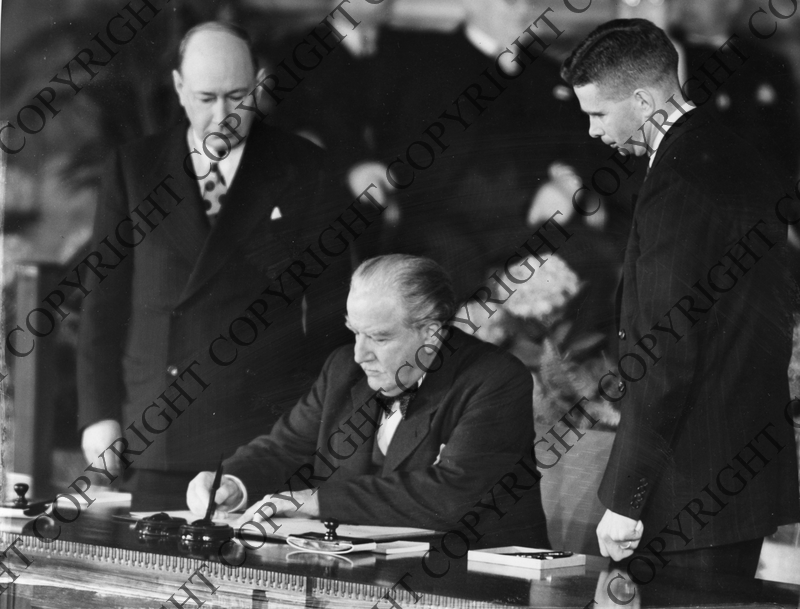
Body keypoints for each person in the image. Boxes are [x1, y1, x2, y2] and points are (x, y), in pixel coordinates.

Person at [561, 19, 798, 575]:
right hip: (736, 474)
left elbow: (666, 352)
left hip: (689, 489)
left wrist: (626, 499)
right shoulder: (733, 151)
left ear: (644, 100)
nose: (593, 132)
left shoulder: (677, 181)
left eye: (598, 114)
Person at [77, 22, 348, 509]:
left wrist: (308, 429)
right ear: (180, 89)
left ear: (259, 86)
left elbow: (330, 316)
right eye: (206, 98)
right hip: (158, 433)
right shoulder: (133, 169)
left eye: (237, 96)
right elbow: (103, 307)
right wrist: (99, 415)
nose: (223, 115)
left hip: (261, 442)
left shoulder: (306, 168)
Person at [186, 254, 550, 548]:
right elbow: (284, 449)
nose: (360, 354)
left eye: (378, 337)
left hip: (474, 577)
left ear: (431, 334)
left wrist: (314, 501)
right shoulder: (343, 368)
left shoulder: (495, 378)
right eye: (354, 332)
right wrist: (232, 481)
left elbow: (454, 496)